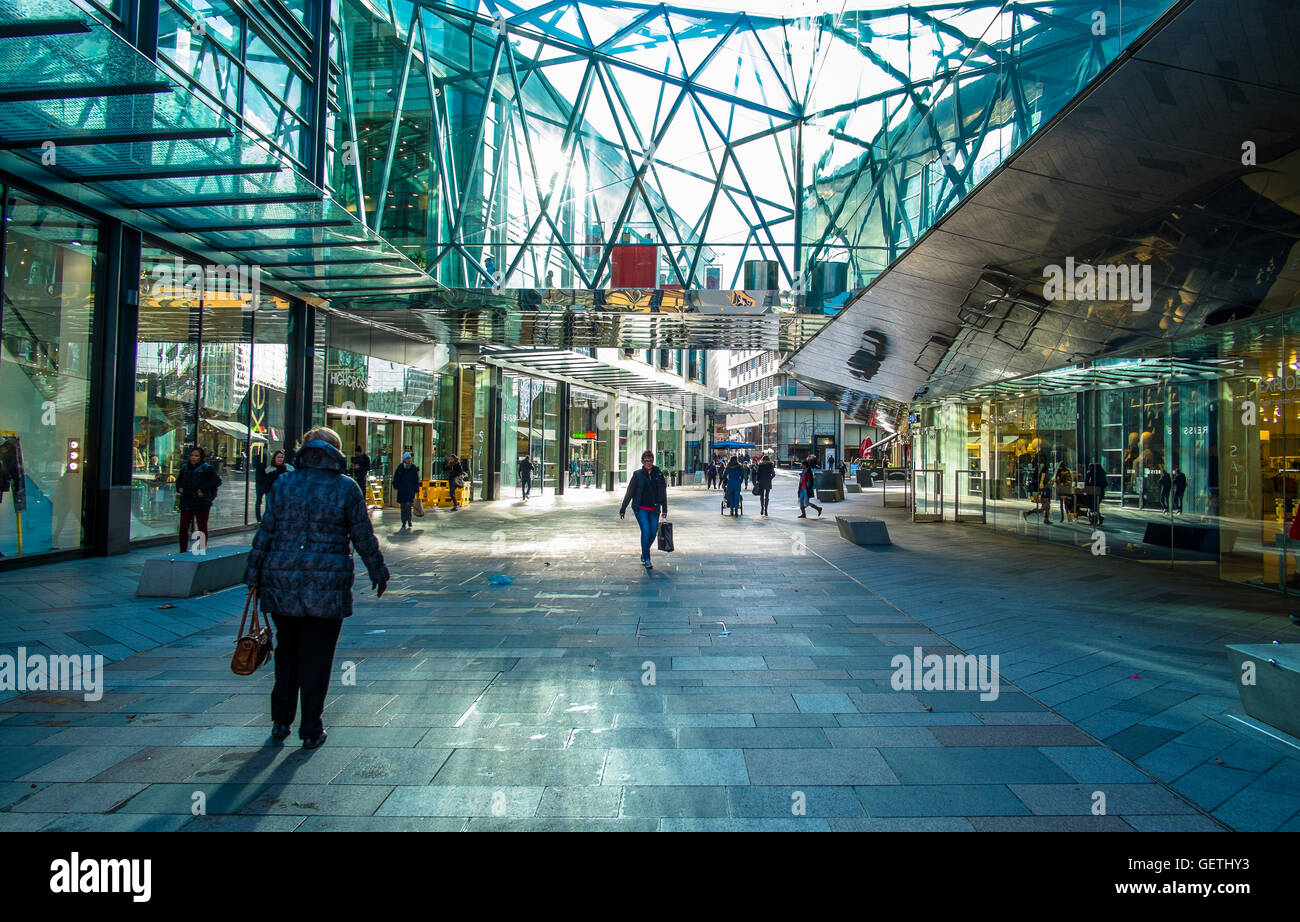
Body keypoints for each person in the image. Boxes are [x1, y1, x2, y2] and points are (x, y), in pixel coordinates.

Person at [244, 426, 389, 749]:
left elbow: (266, 533)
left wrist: (253, 575)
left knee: (287, 653)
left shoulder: (284, 484)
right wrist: (378, 571)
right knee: (318, 657)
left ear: (303, 450)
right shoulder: (346, 488)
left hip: (283, 584)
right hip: (327, 586)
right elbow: (362, 535)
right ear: (335, 452)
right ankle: (311, 727)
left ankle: (281, 720)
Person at [619, 449, 668, 569]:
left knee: (653, 533)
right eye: (646, 461)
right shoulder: (637, 475)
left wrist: (665, 509)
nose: (649, 463)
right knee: (646, 531)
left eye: (650, 461)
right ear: (642, 461)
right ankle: (647, 558)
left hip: (655, 508)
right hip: (640, 508)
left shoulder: (659, 474)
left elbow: (663, 492)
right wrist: (623, 508)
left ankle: (644, 552)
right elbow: (630, 492)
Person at [176, 446, 221, 552]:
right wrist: (179, 488)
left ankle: (201, 549)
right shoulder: (185, 468)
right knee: (183, 527)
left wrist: (202, 489)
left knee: (201, 526)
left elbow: (217, 481)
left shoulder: (206, 468)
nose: (193, 458)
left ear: (201, 457)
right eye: (192, 455)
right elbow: (179, 481)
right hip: (187, 500)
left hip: (201, 501)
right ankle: (183, 551)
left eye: (196, 456)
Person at [254, 449, 292, 522]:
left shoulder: (287, 469)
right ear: (274, 458)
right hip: (272, 493)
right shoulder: (270, 470)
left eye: (281, 457)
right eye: (278, 457)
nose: (280, 459)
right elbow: (268, 483)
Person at [393, 452, 420, 529]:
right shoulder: (400, 468)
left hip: (410, 490)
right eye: (407, 458)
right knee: (403, 506)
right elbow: (396, 478)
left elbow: (416, 479)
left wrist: (416, 489)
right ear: (404, 459)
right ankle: (403, 521)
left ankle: (409, 520)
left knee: (408, 505)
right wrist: (397, 486)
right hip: (402, 490)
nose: (408, 460)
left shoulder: (413, 468)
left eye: (409, 458)